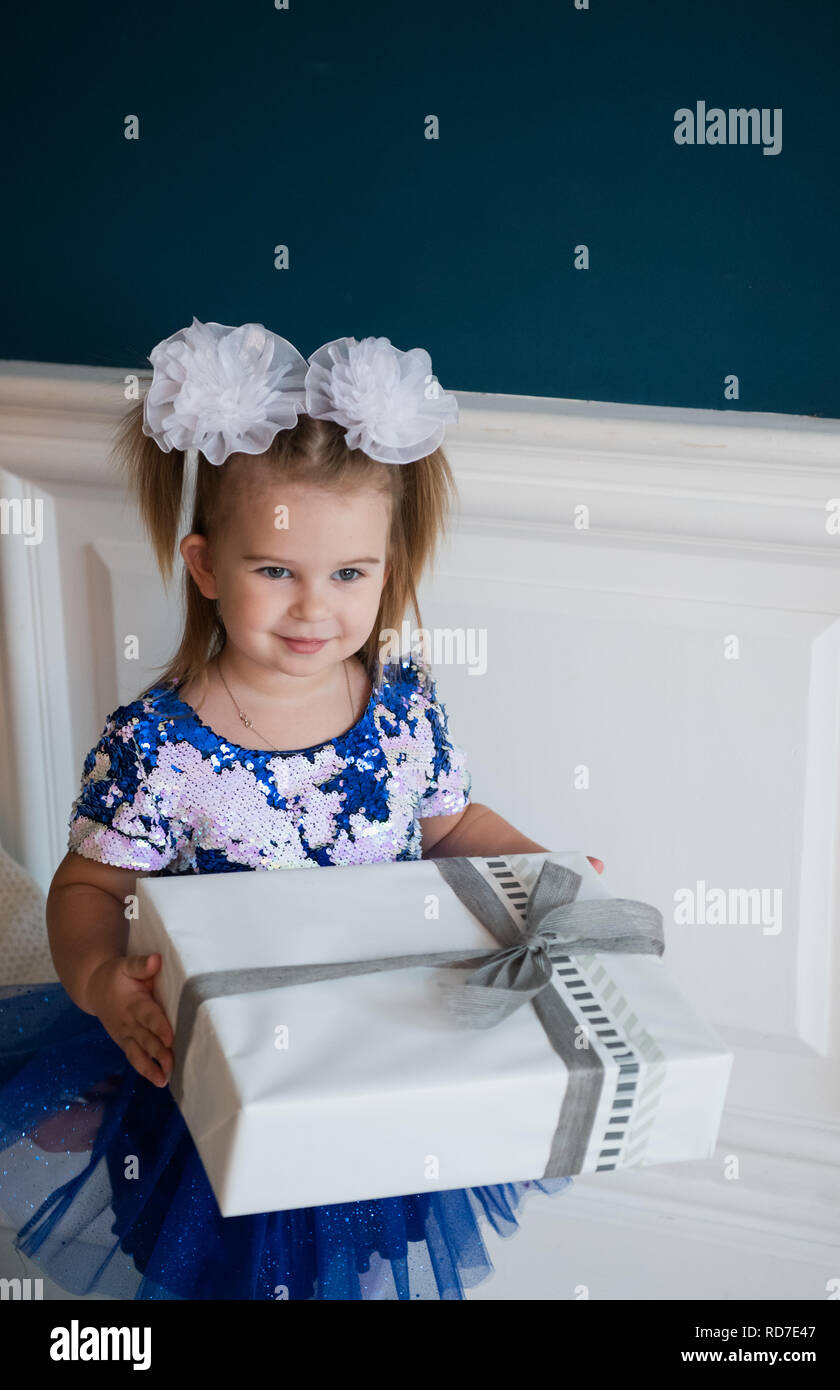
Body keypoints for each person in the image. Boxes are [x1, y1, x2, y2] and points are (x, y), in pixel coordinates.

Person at [0, 319, 603, 1300]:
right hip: (218, 1079)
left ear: (385, 563)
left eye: (348, 573)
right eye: (275, 571)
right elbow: (89, 884)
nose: (313, 608)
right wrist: (102, 975)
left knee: (352, 1263)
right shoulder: (161, 747)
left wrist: (549, 877)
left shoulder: (399, 708)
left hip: (372, 1048)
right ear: (205, 568)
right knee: (225, 1273)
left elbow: (451, 824)